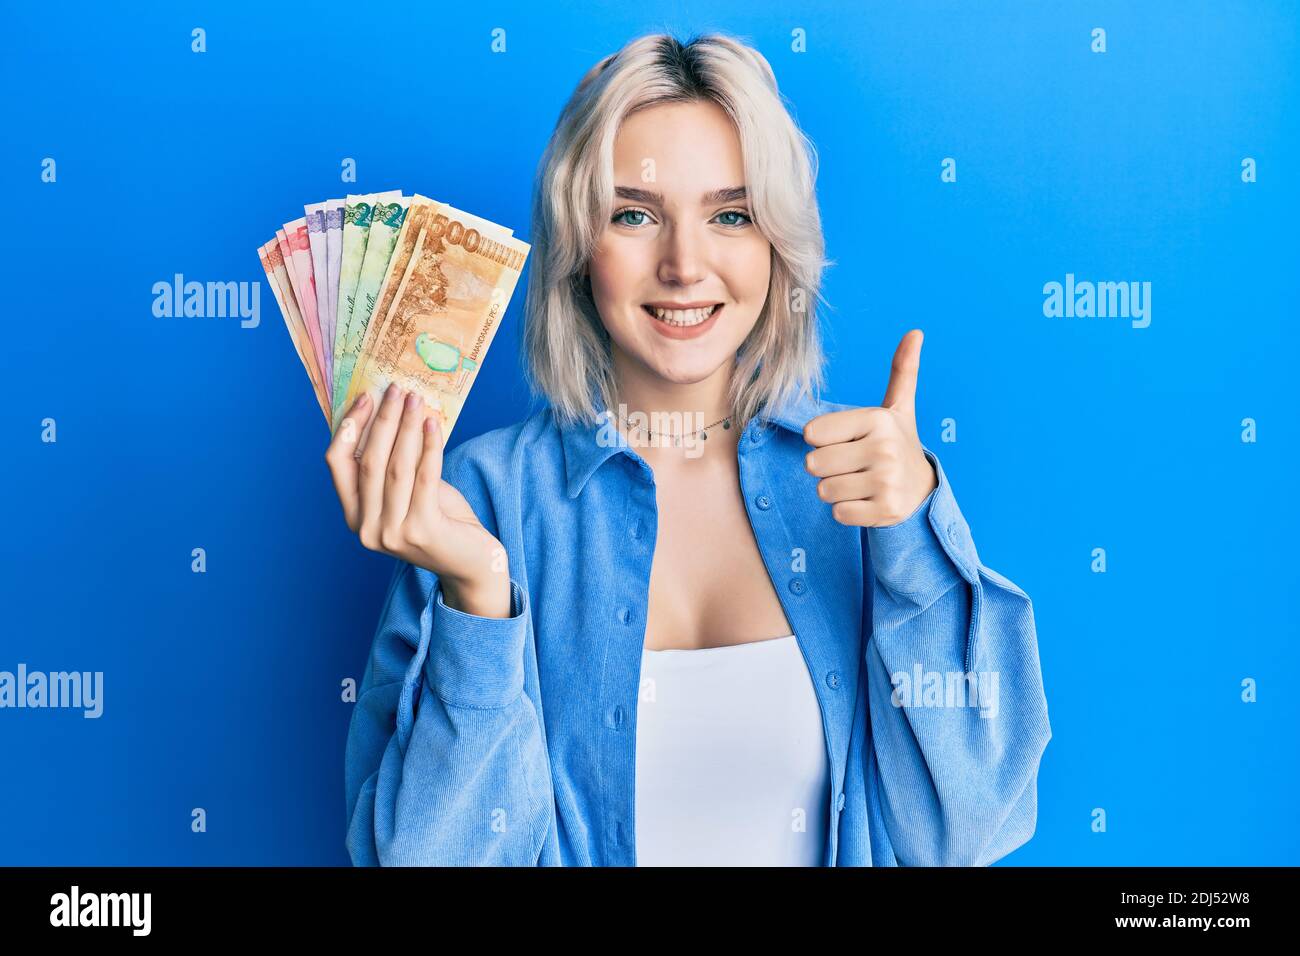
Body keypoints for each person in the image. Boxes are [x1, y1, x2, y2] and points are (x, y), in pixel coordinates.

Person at [330, 32, 1051, 866]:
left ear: (778, 246)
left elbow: (970, 828)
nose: (683, 264)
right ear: (577, 249)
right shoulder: (479, 498)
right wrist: (479, 600)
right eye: (634, 214)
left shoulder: (867, 484)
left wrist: (917, 536)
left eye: (730, 215)